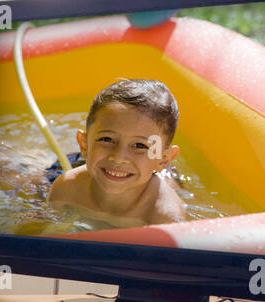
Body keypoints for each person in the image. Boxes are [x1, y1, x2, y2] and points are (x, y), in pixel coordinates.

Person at [48, 78, 187, 226]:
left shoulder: (165, 216)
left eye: (140, 145)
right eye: (106, 139)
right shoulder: (66, 189)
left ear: (164, 159)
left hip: (156, 172)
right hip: (80, 162)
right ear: (84, 145)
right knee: (39, 179)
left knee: (170, 181)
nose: (119, 157)